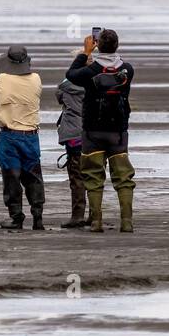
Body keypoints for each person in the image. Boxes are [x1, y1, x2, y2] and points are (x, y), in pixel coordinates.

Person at [64, 28, 135, 233]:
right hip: (118, 131)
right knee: (123, 178)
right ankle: (127, 221)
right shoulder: (128, 70)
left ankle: (96, 221)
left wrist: (85, 52)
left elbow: (71, 75)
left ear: (97, 45)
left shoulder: (90, 71)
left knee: (93, 176)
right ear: (117, 46)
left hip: (92, 130)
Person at [0, 45, 44, 230]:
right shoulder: (36, 78)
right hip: (31, 136)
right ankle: (37, 216)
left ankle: (16, 217)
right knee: (33, 177)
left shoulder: (2, 79)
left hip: (9, 136)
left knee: (11, 177)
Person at [55, 64, 87, 228]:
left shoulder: (65, 87)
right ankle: (95, 215)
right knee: (95, 176)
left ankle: (77, 215)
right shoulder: (96, 84)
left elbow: (58, 95)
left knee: (76, 178)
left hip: (74, 136)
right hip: (92, 135)